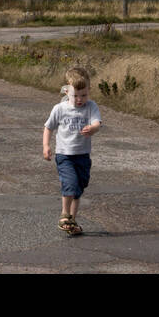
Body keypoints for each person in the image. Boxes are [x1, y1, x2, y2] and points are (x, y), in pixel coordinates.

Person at [42, 67, 102, 236]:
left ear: (89, 91)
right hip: (65, 155)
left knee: (78, 189)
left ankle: (72, 221)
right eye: (75, 95)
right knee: (70, 183)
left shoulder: (91, 107)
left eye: (84, 95)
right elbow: (48, 128)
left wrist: (93, 128)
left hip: (83, 156)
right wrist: (46, 146)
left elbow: (97, 122)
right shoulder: (60, 109)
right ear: (67, 91)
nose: (80, 99)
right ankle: (64, 215)